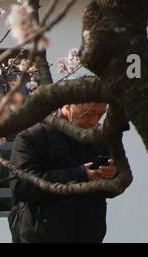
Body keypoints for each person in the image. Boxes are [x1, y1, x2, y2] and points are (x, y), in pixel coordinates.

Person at [7, 101, 121, 243]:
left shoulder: (100, 138)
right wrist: (80, 175)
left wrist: (111, 175)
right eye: (88, 114)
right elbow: (22, 185)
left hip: (89, 235)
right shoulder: (33, 136)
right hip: (41, 236)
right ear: (68, 104)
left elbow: (119, 184)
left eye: (100, 115)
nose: (94, 121)